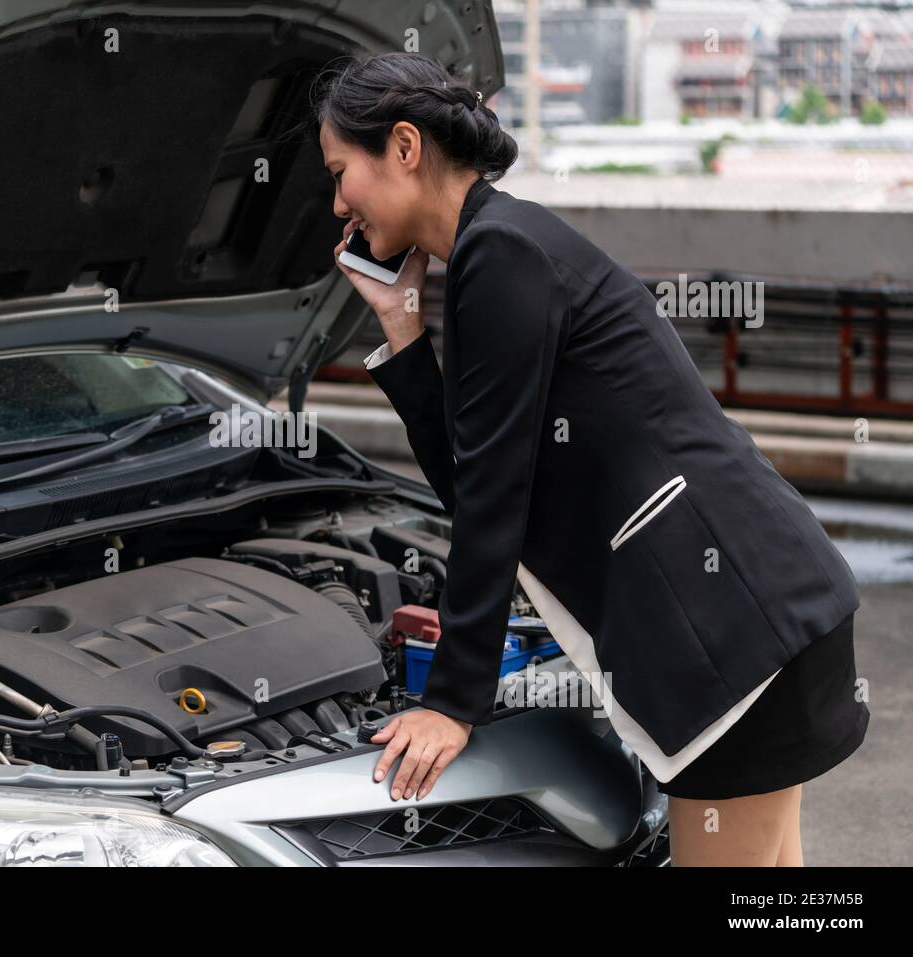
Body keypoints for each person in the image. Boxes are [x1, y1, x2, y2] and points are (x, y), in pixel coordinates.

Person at [311, 52, 869, 866]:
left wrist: (452, 705)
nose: (336, 205)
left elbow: (494, 502)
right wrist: (401, 325)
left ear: (403, 147)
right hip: (763, 618)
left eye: (338, 172)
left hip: (735, 638)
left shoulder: (502, 255)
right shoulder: (497, 249)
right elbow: (480, 480)